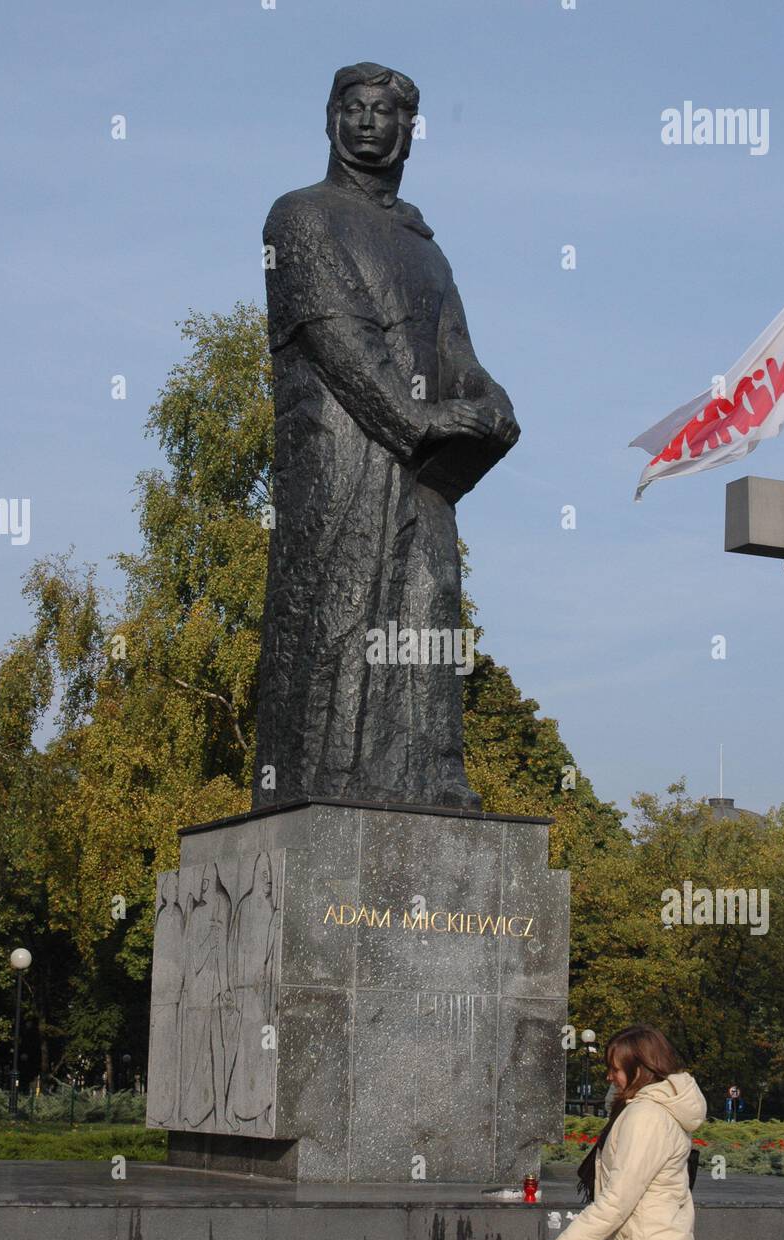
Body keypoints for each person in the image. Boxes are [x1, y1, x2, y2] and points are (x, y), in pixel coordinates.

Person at [253, 62, 520, 811]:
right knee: (335, 620)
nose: (369, 122)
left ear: (409, 133)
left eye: (385, 113)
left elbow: (456, 353)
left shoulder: (426, 250)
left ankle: (430, 779)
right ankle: (321, 788)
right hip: (342, 466)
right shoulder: (300, 217)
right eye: (355, 108)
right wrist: (420, 420)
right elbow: (341, 342)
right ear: (331, 119)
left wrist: (489, 403)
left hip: (424, 480)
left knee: (427, 613)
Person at [538, 1024, 707, 1240]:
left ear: (639, 1069)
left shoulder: (647, 1117)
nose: (609, 1076)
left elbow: (618, 1198)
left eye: (615, 1069)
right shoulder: (646, 1110)